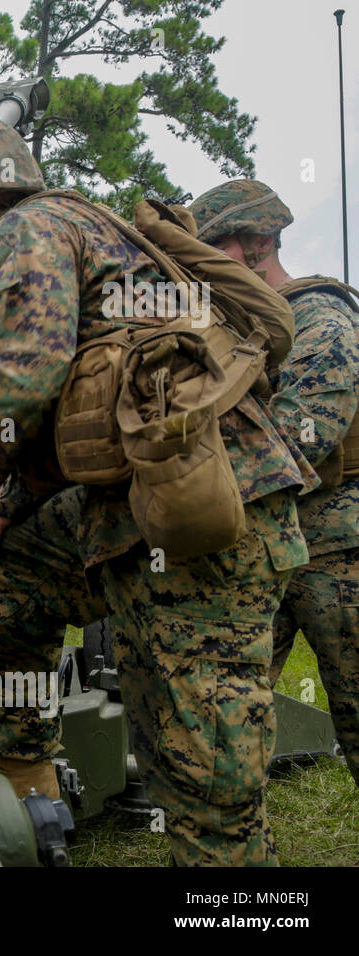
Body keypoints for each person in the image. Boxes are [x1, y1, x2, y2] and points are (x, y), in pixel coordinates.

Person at [0, 113, 311, 865]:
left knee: (200, 769)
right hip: (136, 507)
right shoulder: (73, 230)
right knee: (13, 576)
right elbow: (81, 406)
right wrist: (13, 502)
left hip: (208, 511)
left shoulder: (30, 229)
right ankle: (21, 763)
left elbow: (19, 385)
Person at [192, 179, 359, 788]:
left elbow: (306, 433)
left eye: (218, 250)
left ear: (260, 241)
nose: (206, 268)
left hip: (336, 549)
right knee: (226, 721)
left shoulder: (317, 314)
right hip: (262, 548)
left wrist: (197, 485)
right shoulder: (232, 334)